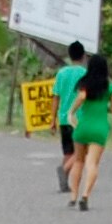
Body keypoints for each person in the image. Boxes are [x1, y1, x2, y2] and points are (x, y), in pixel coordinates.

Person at [65, 52, 112, 212]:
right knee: (92, 163)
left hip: (83, 127)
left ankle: (73, 196)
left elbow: (81, 97)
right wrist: (105, 108)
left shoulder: (84, 83)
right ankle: (85, 195)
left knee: (78, 161)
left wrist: (71, 112)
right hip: (99, 129)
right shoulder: (109, 87)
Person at [49, 42, 87, 196]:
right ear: (83, 56)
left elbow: (55, 98)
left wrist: (53, 119)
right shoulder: (85, 73)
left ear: (69, 55)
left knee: (68, 152)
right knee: (82, 152)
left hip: (63, 118)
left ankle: (64, 183)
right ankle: (64, 170)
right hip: (78, 118)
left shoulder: (61, 73)